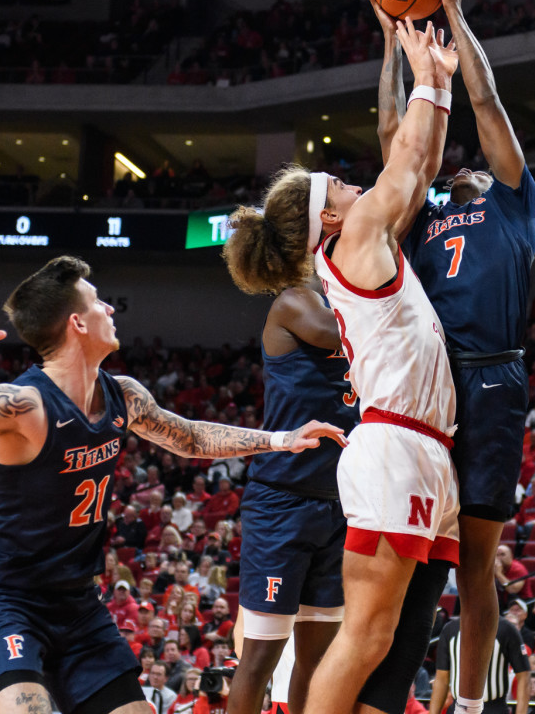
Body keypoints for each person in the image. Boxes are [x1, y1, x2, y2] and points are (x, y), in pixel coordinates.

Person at [0, 257, 343, 714]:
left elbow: (189, 436)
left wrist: (283, 439)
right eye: (99, 301)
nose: (110, 308)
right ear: (77, 322)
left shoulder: (122, 394)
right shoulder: (26, 405)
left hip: (80, 605)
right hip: (11, 603)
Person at [223, 15, 458, 714]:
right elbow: (406, 160)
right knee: (361, 638)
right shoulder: (349, 244)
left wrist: (437, 89)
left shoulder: (363, 239)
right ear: (329, 218)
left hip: (415, 445)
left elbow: (419, 168)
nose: (357, 187)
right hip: (384, 445)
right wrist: (423, 80)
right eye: (342, 186)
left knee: (381, 637)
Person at [364, 0, 535, 714]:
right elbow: (390, 132)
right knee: (412, 559)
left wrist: (456, 17)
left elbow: (486, 104)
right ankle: (385, 688)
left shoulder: (511, 198)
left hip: (492, 375)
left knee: (476, 562)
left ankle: (470, 705)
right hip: (426, 385)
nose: (464, 160)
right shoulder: (426, 211)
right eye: (455, 163)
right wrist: (389, 44)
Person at [219, 235, 361, 714]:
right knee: (260, 657)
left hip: (340, 501)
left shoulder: (335, 298)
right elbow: (340, 332)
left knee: (318, 660)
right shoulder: (293, 302)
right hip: (284, 500)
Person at [428, 616, 531, 714]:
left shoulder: (506, 628)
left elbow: (524, 676)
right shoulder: (450, 629)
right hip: (458, 708)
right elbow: (441, 679)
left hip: (493, 709)